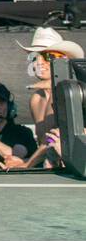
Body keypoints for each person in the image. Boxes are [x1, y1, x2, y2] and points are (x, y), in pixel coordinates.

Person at [19, 27, 85, 168]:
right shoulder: (36, 99)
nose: (39, 62)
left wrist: (25, 166)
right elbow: (45, 142)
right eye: (34, 56)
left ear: (63, 59)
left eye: (48, 56)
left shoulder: (75, 92)